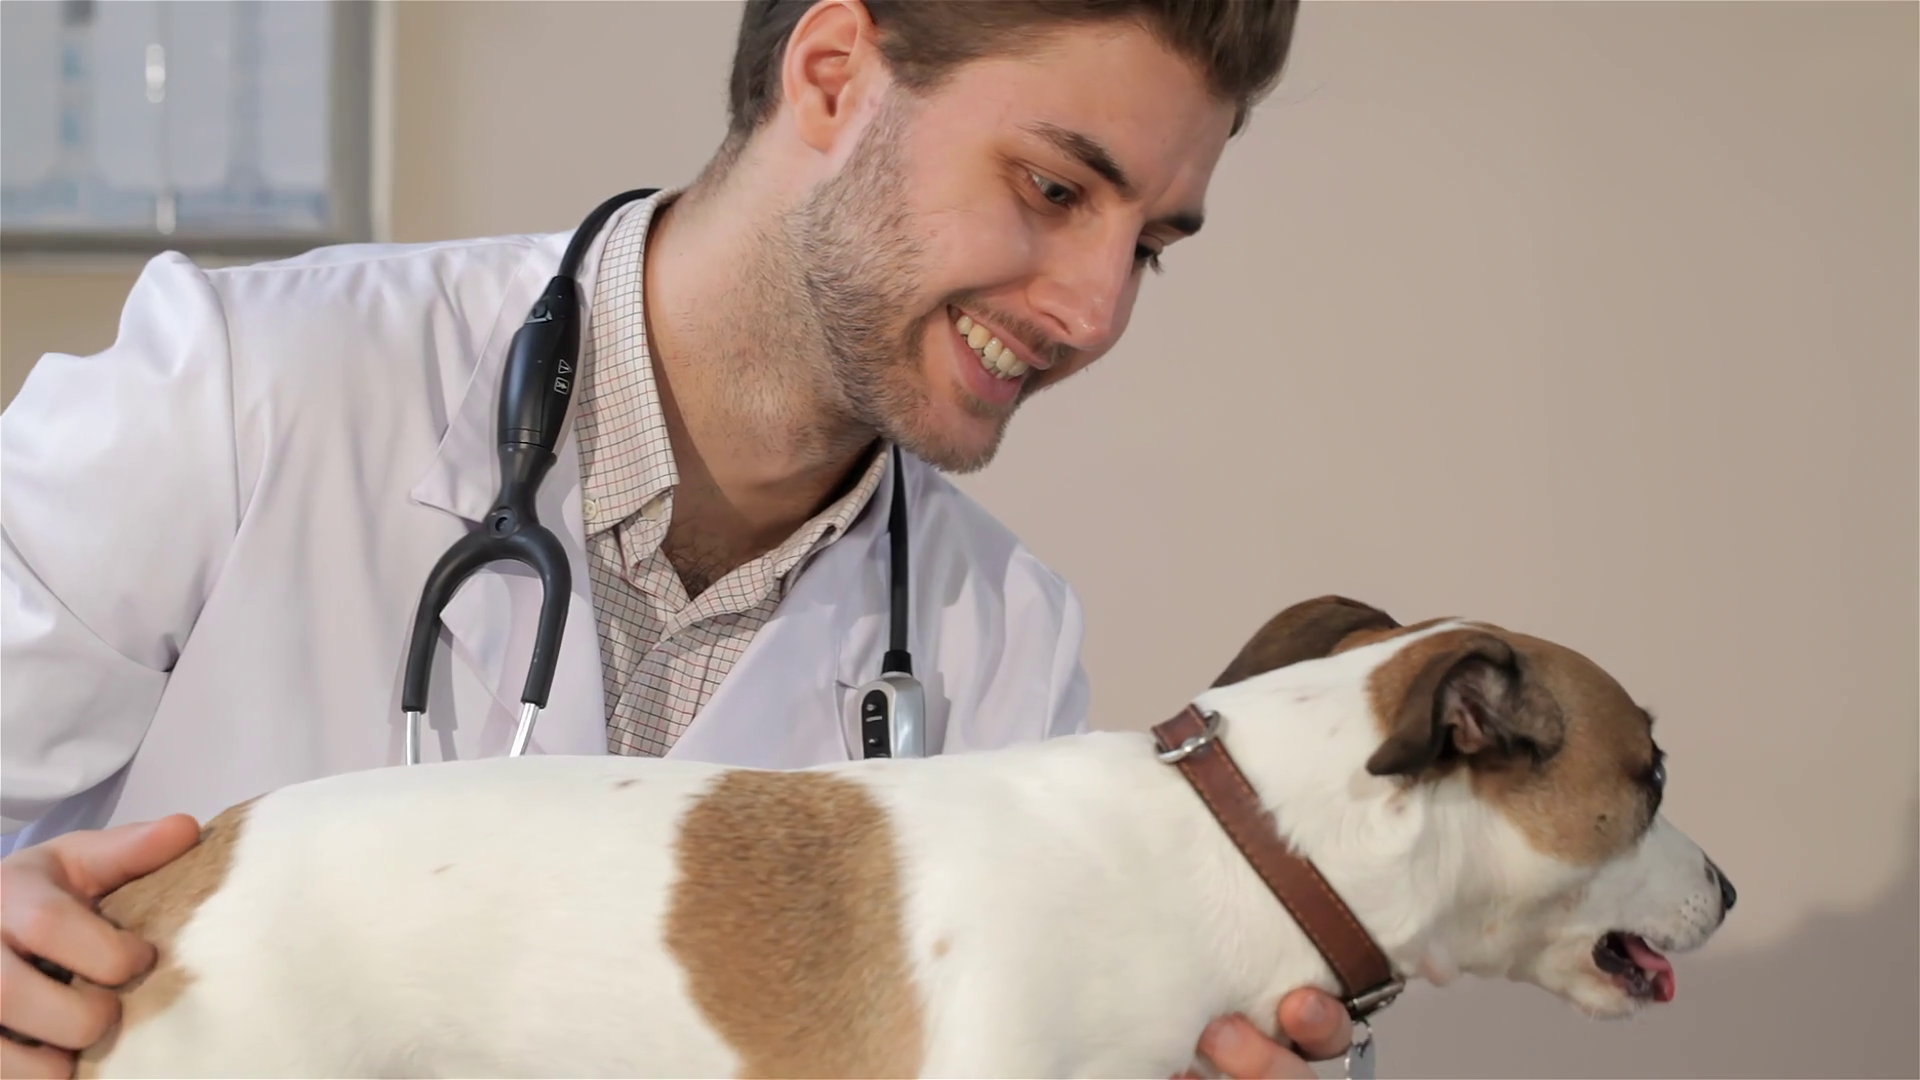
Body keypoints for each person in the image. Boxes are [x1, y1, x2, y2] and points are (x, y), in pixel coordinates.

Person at [0, 1, 1354, 1076]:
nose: (1098, 311)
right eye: (1055, 190)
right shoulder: (250, 386)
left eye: (1149, 246)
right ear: (832, 77)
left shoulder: (999, 642)